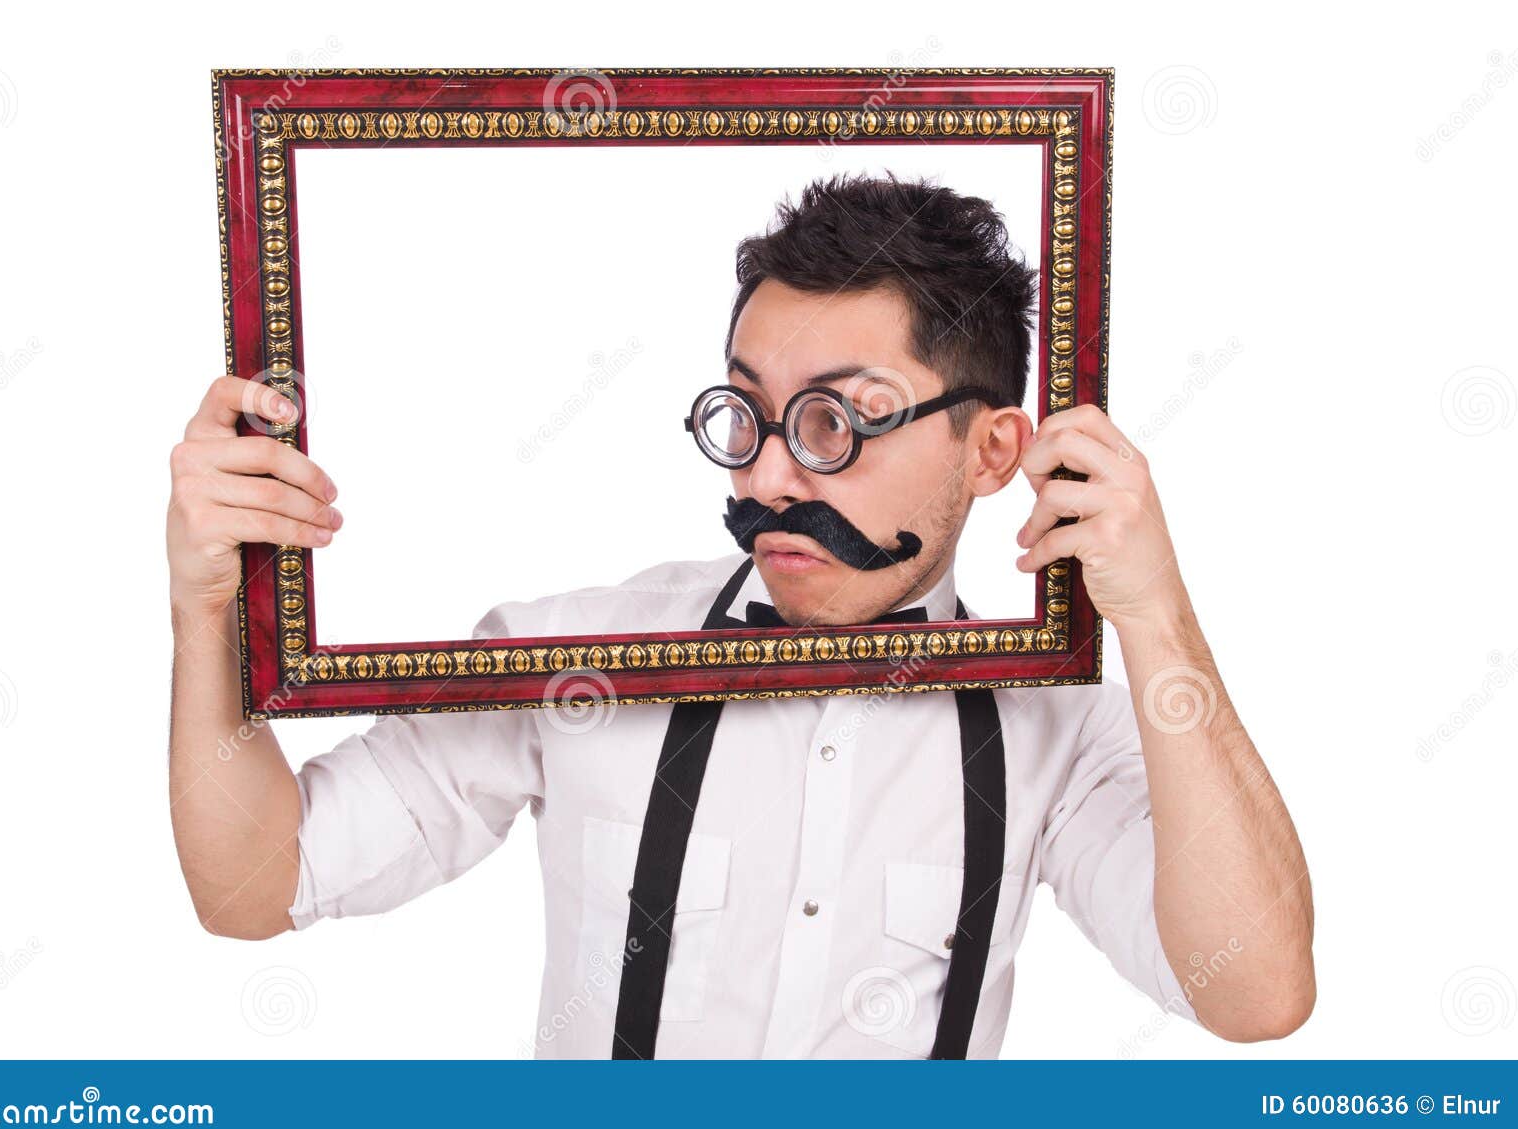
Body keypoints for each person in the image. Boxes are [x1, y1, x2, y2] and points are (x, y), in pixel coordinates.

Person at [167, 172, 1314, 1058]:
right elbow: (255, 886)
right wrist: (202, 604)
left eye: (836, 425)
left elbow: (1255, 995)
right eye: (747, 417)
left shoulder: (1058, 729)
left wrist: (1158, 621)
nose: (768, 479)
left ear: (991, 448)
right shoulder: (576, 659)